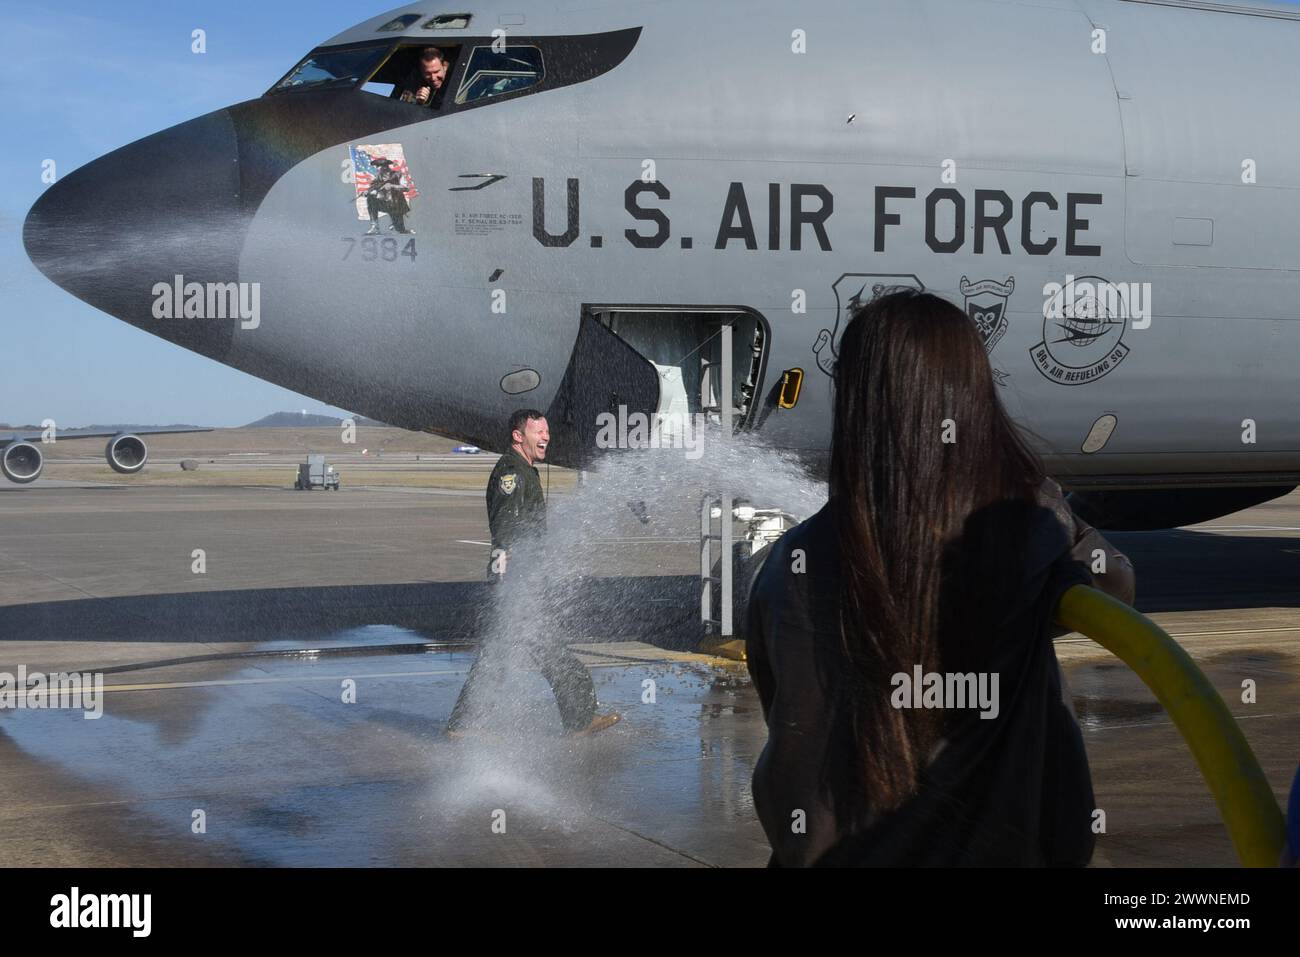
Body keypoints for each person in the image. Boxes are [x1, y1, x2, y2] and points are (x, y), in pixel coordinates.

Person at [745, 288, 1135, 867]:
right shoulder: (1029, 533)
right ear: (973, 396)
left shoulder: (791, 567)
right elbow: (1117, 587)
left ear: (857, 403)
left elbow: (793, 753)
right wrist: (1043, 510)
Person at [446, 409, 621, 737]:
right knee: (515, 653)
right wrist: (511, 582)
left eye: (547, 432)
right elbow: (507, 531)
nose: (546, 438)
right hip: (517, 581)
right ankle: (467, 725)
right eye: (538, 432)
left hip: (525, 579)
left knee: (529, 652)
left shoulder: (525, 471)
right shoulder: (512, 473)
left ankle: (577, 719)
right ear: (518, 436)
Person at [363, 156, 413, 235]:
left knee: (400, 230)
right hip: (384, 203)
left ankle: (396, 224)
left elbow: (406, 188)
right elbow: (373, 186)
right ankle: (375, 227)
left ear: (385, 167)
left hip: (396, 205)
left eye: (379, 167)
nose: (377, 169)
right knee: (370, 198)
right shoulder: (378, 177)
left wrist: (392, 186)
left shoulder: (397, 174)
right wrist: (367, 191)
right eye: (377, 167)